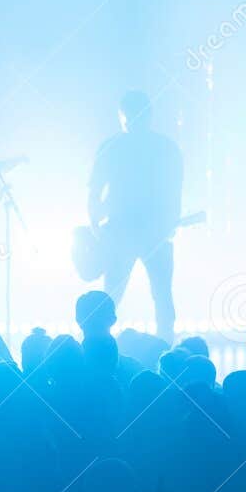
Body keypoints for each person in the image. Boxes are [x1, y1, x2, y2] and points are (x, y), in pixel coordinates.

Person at [88, 90, 183, 342]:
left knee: (131, 296)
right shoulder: (165, 147)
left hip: (129, 232)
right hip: (136, 232)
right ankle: (164, 349)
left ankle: (97, 346)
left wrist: (95, 224)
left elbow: (95, 192)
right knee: (155, 296)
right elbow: (175, 191)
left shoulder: (113, 147)